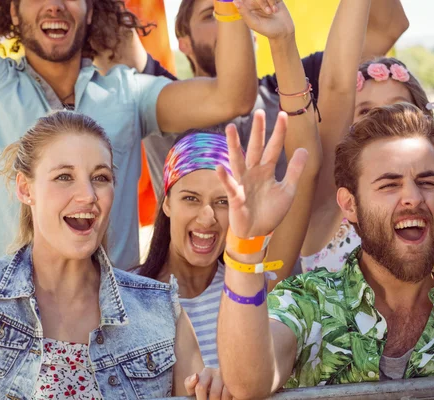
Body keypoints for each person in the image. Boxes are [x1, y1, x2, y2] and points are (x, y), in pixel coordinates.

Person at [214, 103, 434, 398]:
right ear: (349, 205)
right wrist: (246, 246)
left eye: (427, 182)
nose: (412, 196)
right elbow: (248, 381)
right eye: (389, 184)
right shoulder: (309, 303)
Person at [0, 0, 263, 270]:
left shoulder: (127, 93)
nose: (54, 5)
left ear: (91, 11)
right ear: (14, 11)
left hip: (111, 322)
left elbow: (232, 98)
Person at [0, 111, 232, 400]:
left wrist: (213, 388)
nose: (88, 194)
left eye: (100, 178)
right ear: (25, 188)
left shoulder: (164, 311)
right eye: (64, 176)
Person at [137, 0, 322, 368]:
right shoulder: (125, 293)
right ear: (167, 202)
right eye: (190, 198)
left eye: (223, 202)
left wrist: (283, 37)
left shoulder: (256, 279)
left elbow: (307, 160)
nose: (207, 216)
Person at [128, 0, 409, 199]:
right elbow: (114, 26)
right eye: (214, 14)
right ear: (183, 41)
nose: (232, 21)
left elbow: (385, 29)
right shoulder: (157, 98)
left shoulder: (295, 83)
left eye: (239, 10)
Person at [301, 19, 434, 272]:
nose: (383, 117)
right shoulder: (322, 207)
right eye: (366, 111)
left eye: (398, 107)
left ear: (424, 123)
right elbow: (335, 86)